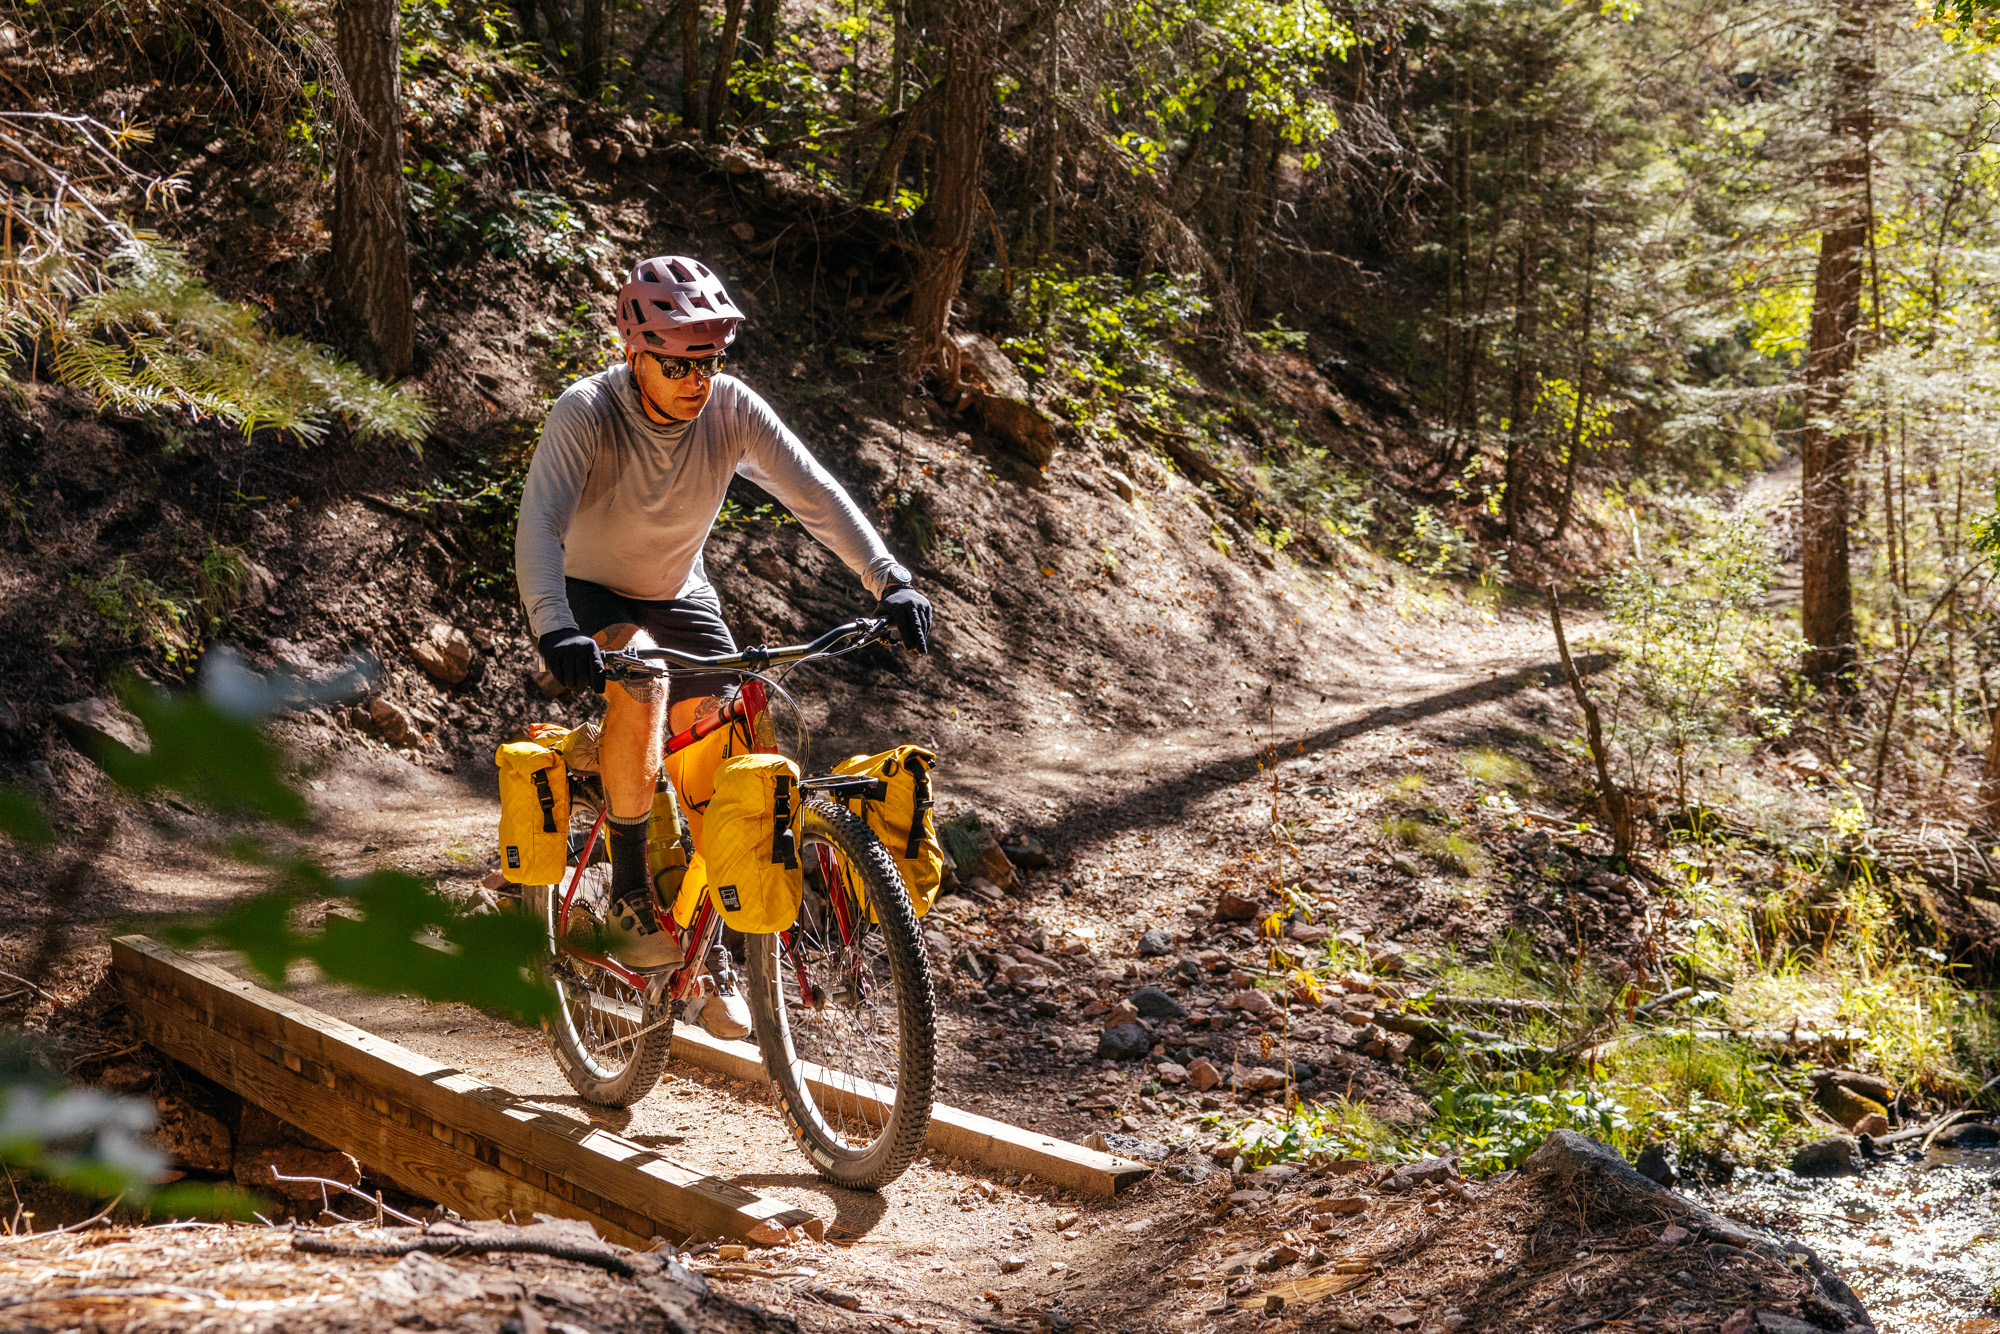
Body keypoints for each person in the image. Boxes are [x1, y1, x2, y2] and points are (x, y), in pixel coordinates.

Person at [515, 255, 934, 1036]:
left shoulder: (731, 411)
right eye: (676, 362)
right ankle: (635, 894)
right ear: (634, 353)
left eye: (708, 361)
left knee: (735, 738)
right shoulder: (587, 411)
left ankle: (712, 954)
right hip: (587, 590)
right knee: (643, 680)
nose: (695, 379)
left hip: (680, 588)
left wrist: (889, 579)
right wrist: (556, 628)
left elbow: (813, 492)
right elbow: (538, 522)